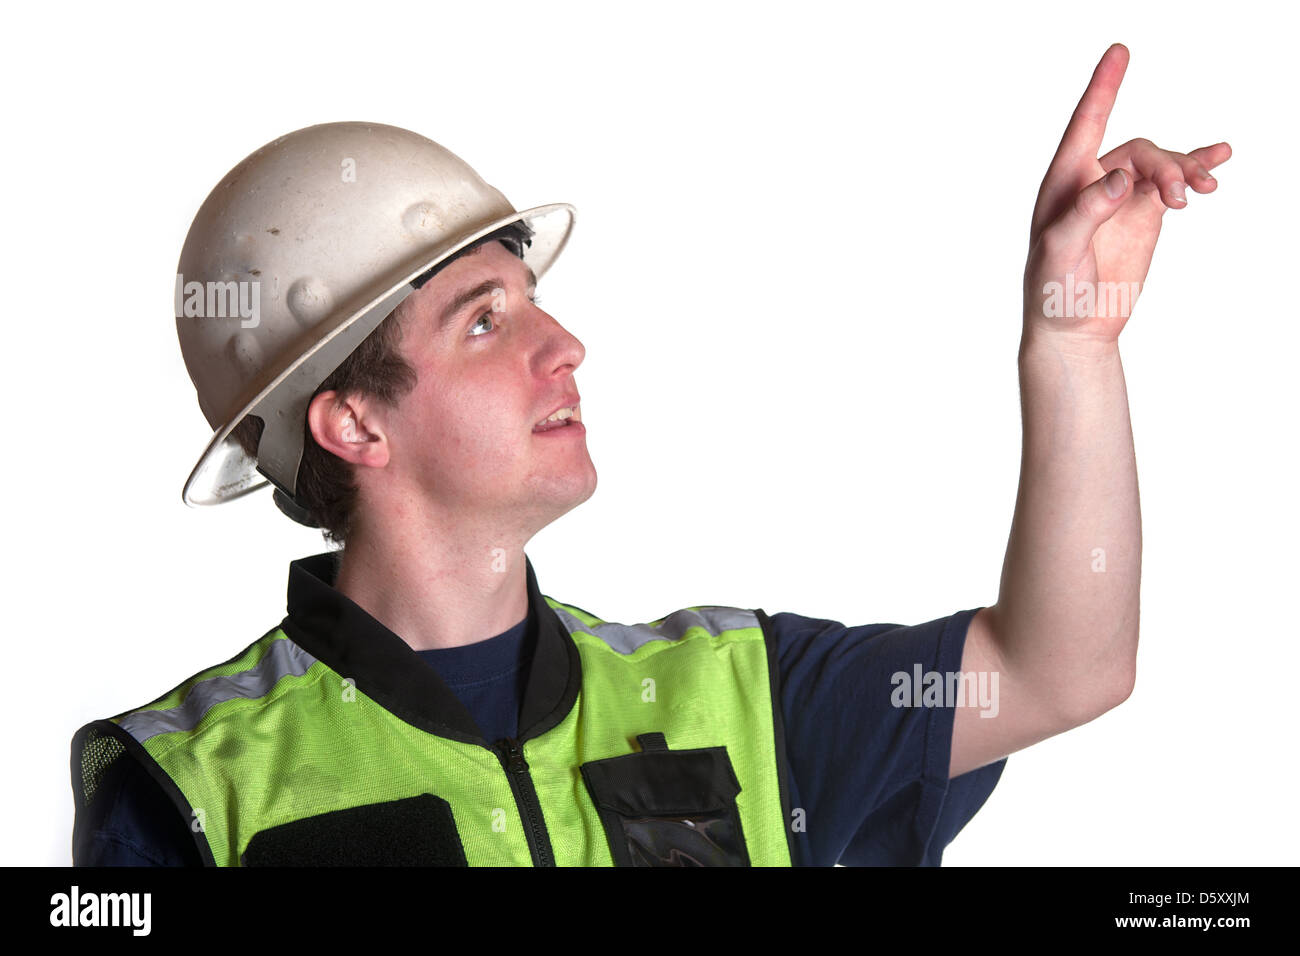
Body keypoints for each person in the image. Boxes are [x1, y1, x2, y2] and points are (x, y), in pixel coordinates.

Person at [69, 43, 1229, 866]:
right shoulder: (188, 794)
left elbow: (1061, 671)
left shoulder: (742, 699)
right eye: (484, 319)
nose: (564, 343)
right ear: (353, 422)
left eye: (534, 300)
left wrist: (1071, 339)